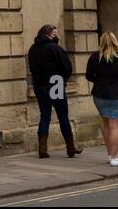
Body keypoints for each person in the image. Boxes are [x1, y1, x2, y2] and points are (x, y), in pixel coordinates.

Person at [27, 24, 82, 158]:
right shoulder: (55, 48)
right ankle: (70, 147)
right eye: (55, 35)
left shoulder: (33, 49)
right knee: (63, 116)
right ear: (48, 35)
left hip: (39, 86)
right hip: (55, 84)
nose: (57, 36)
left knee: (45, 116)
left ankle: (43, 149)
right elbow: (67, 67)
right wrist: (61, 79)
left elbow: (33, 68)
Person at [86, 30, 118, 166]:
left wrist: (99, 80)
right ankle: (114, 157)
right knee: (114, 127)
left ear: (101, 42)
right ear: (115, 42)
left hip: (99, 95)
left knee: (106, 125)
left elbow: (89, 76)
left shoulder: (95, 57)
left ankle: (109, 154)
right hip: (116, 95)